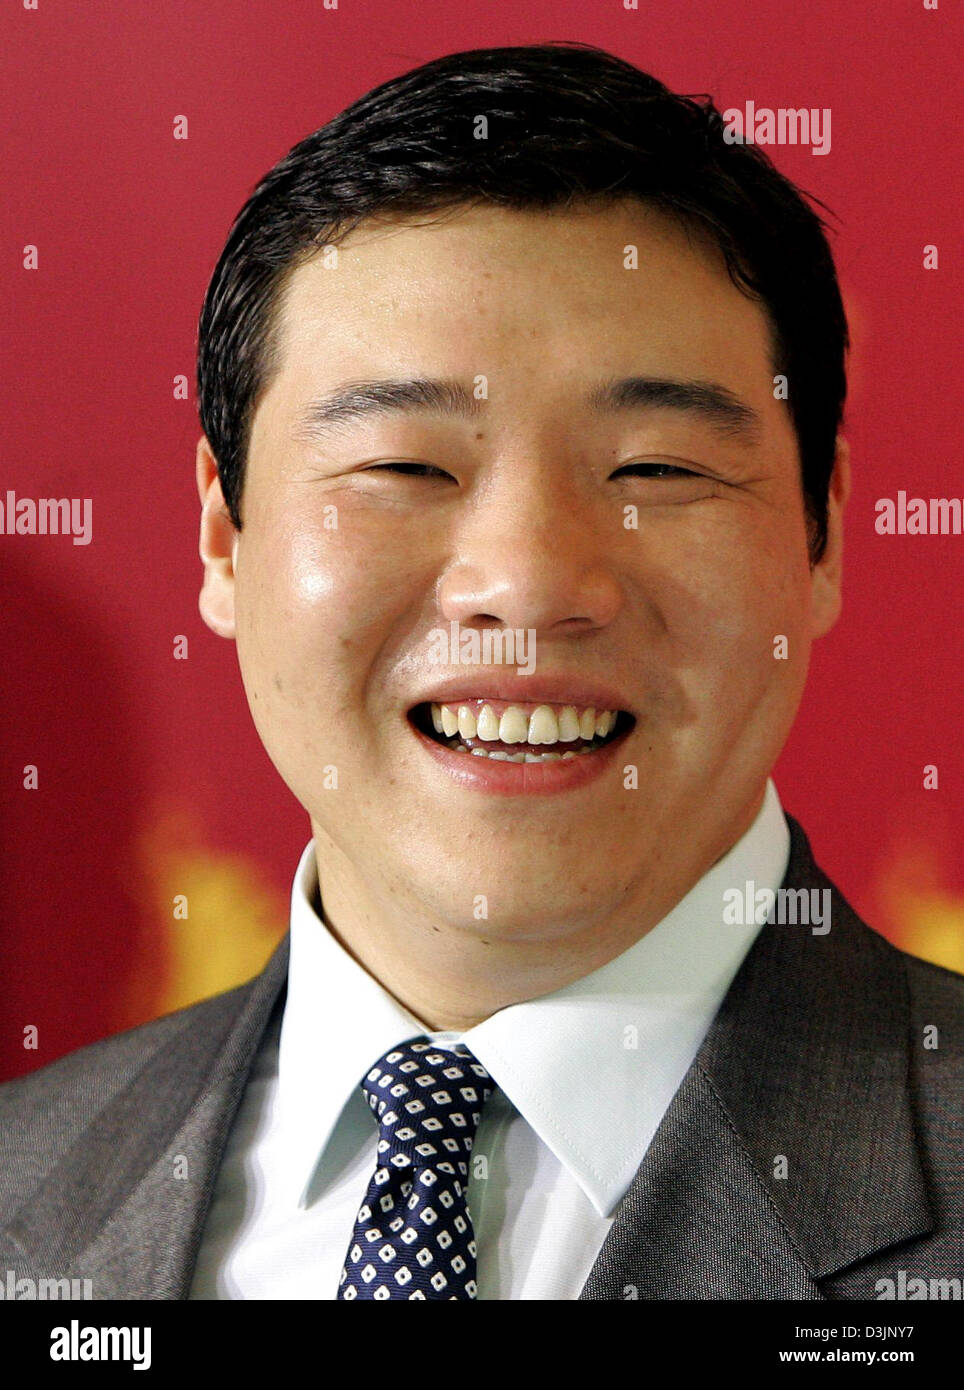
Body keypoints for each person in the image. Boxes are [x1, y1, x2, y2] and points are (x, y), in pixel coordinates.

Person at [1, 42, 961, 1302]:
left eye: (655, 469)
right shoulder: (27, 1189)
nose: (528, 580)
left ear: (820, 531)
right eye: (406, 468)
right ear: (224, 534)